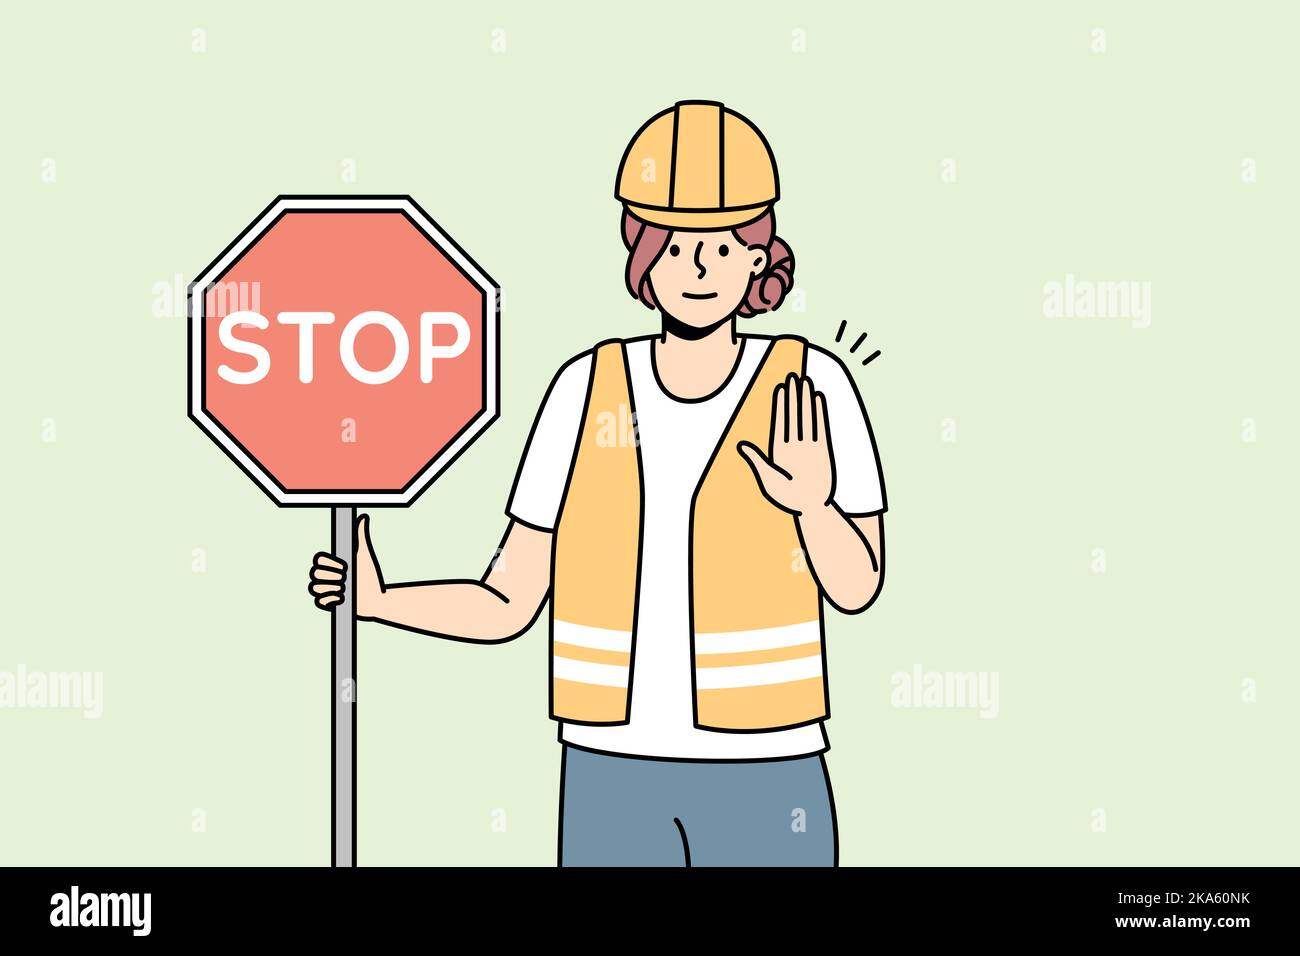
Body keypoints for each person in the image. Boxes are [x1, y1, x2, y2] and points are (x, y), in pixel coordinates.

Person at [308, 100, 887, 866]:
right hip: (611, 772)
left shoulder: (813, 386)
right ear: (642, 257)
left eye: (722, 244)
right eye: (676, 245)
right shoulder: (583, 389)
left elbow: (859, 586)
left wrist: (814, 506)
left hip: (768, 770)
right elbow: (508, 599)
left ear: (758, 257)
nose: (699, 268)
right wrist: (380, 604)